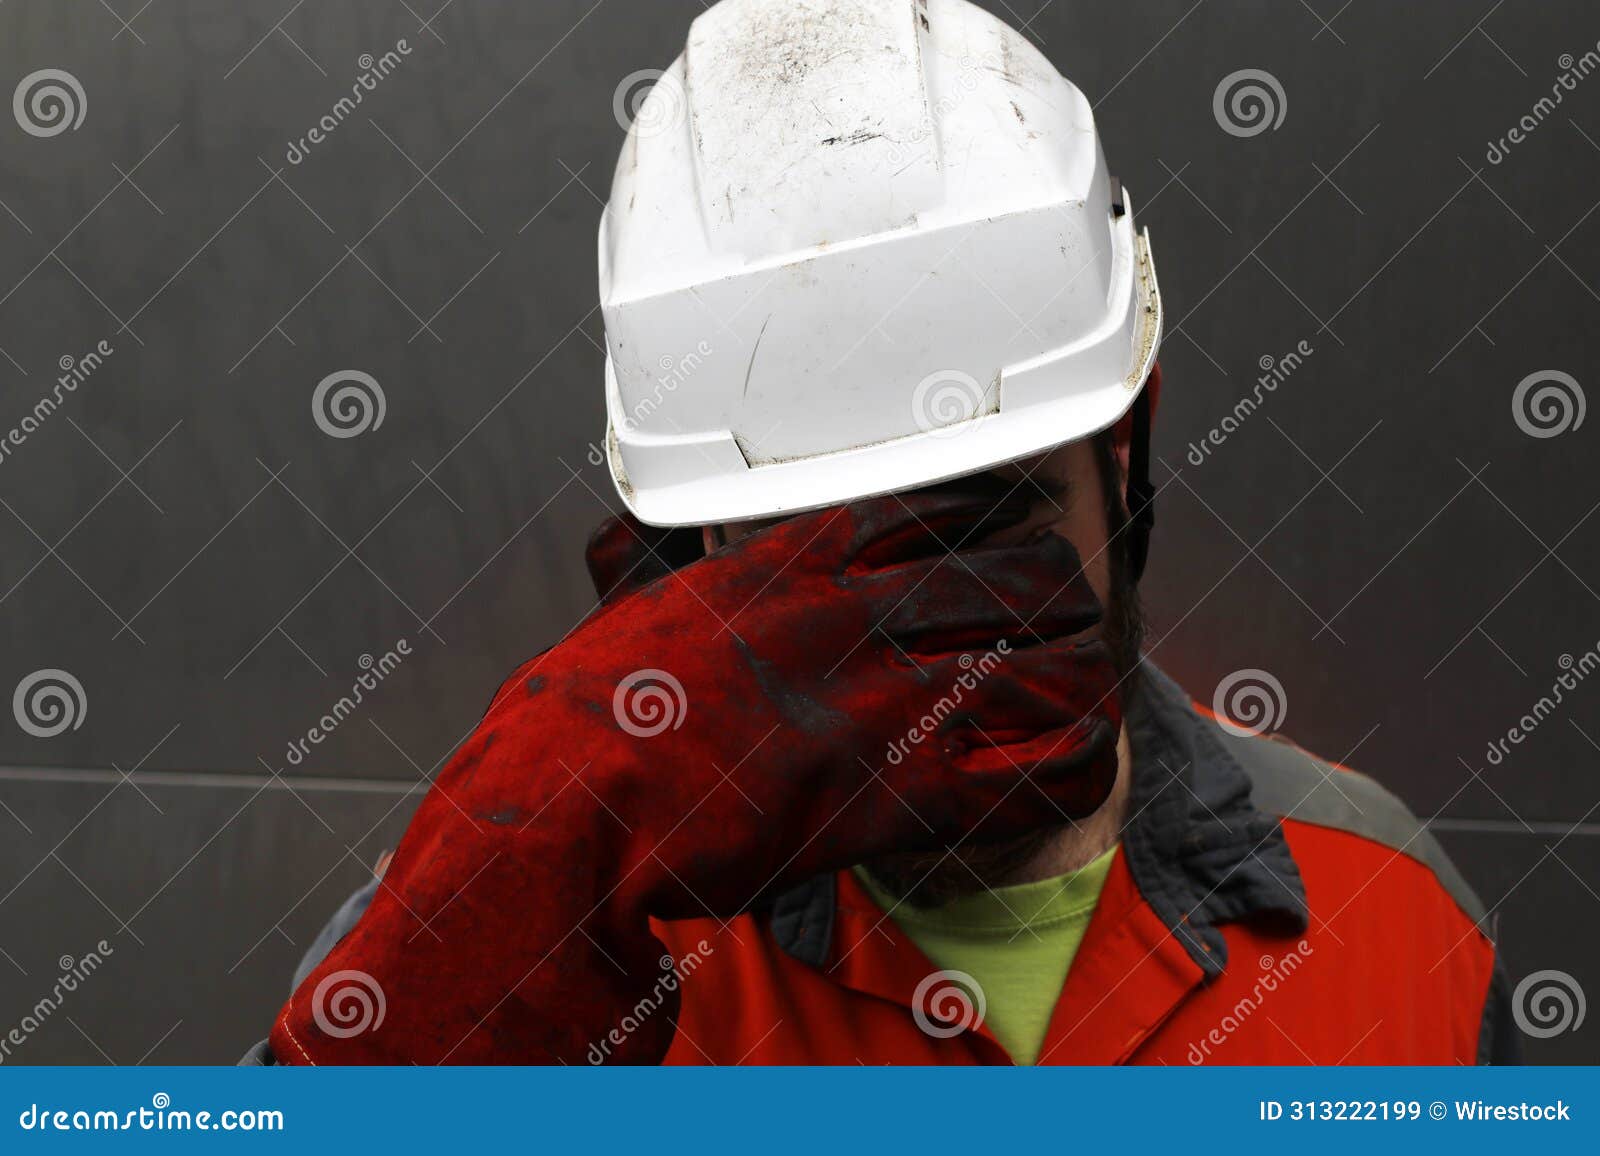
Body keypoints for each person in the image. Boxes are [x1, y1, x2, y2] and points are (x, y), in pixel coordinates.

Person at [244, 0, 1515, 1066]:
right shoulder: (563, 928)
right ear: (690, 558)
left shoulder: (1389, 910)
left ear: (1124, 451)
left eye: (989, 518)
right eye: (814, 554)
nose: (920, 632)